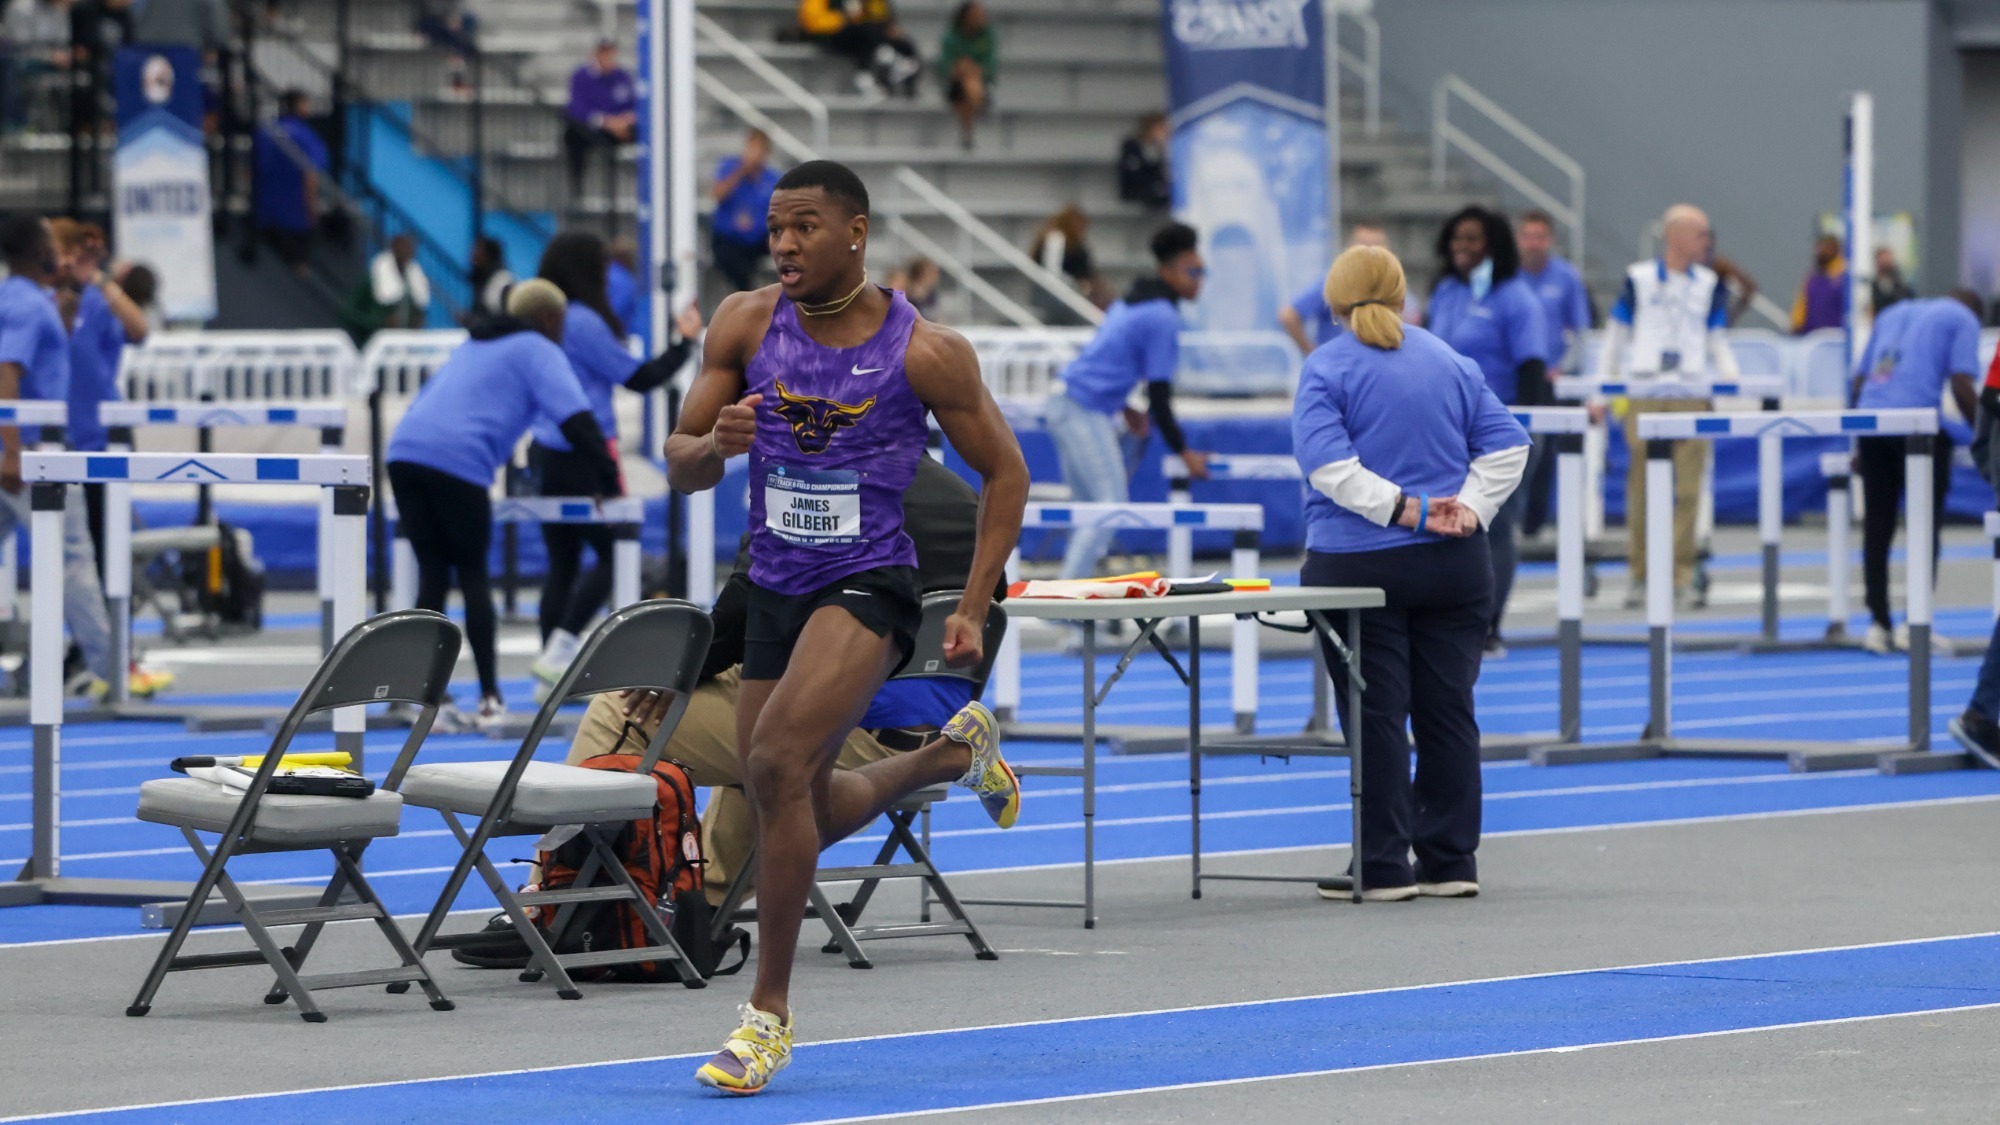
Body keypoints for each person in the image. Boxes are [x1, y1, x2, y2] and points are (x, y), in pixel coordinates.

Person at [665, 159, 1027, 1095]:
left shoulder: (926, 351)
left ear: (855, 233)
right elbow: (680, 463)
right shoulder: (744, 322)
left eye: (804, 228)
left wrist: (974, 603)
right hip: (773, 583)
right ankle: (948, 756)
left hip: (868, 582)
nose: (783, 245)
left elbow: (1007, 474)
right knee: (791, 798)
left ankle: (767, 1016)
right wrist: (713, 446)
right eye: (775, 229)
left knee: (777, 762)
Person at [533, 457, 999, 918]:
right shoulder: (964, 500)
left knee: (621, 713)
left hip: (833, 734)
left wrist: (674, 674)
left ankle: (555, 902)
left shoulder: (812, 483)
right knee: (757, 712)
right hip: (922, 724)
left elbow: (743, 610)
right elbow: (990, 602)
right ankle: (702, 909)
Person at [1294, 244, 1528, 901]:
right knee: (1448, 710)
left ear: (1333, 302)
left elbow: (1329, 467)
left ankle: (1382, 862)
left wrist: (1405, 509)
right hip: (1454, 566)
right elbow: (1510, 445)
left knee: (1375, 711)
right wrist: (1468, 509)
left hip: (1358, 563)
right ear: (1403, 295)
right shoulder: (1451, 360)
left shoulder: (1325, 367)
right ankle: (1451, 859)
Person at [385, 279, 620, 732]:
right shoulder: (539, 349)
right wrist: (609, 481)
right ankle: (490, 698)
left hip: (404, 452)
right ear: (551, 319)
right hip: (459, 459)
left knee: (433, 576)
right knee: (472, 575)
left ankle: (419, 697)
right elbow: (578, 421)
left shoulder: (474, 343)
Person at [526, 231, 703, 688]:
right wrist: (684, 344)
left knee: (563, 564)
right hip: (584, 452)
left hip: (546, 450)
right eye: (603, 270)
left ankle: (550, 676)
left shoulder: (549, 320)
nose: (608, 279)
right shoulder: (582, 321)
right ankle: (561, 647)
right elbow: (639, 378)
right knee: (616, 555)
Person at [1043, 221, 1211, 579]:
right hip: (1080, 408)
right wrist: (1184, 453)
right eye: (1192, 271)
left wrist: (1124, 406)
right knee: (1110, 506)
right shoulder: (1163, 316)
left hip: (1064, 403)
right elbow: (1160, 396)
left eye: (1202, 272)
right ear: (1168, 271)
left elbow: (1105, 357)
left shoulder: (1132, 301)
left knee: (1090, 511)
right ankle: (1066, 600)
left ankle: (1071, 599)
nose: (1200, 280)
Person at [0, 214, 123, 699]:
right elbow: (6, 372)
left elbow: (37, 368)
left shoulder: (24, 299)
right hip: (33, 456)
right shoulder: (27, 305)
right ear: (39, 250)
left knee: (72, 562)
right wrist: (14, 453)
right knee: (74, 563)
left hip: (23, 450)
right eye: (51, 241)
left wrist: (66, 317)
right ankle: (115, 673)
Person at [1603, 204, 1741, 609]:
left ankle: (1681, 573)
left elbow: (1716, 336)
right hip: (1645, 388)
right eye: (1700, 234)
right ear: (1675, 236)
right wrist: (1602, 390)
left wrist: (1731, 375)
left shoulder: (1710, 284)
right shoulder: (1639, 279)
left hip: (1691, 389)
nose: (1707, 242)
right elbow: (1615, 334)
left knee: (1689, 488)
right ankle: (1639, 573)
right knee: (1641, 485)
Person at [1425, 206, 1548, 655]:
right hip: (1446, 430)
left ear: (1493, 244)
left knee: (1492, 528)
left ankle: (1488, 625)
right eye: (1457, 237)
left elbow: (1533, 370)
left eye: (1472, 239)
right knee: (1443, 525)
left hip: (1499, 432)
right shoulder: (1445, 291)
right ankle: (1449, 620)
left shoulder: (1516, 298)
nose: (1462, 246)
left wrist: (1523, 438)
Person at [1848, 291, 1981, 655]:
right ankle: (1914, 624)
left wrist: (1857, 443)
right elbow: (1962, 386)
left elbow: (1859, 382)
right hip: (1917, 427)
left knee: (1877, 525)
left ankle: (1878, 624)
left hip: (1872, 421)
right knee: (1924, 526)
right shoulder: (1963, 318)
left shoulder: (1891, 313)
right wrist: (1988, 438)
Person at [1516, 209, 1593, 538]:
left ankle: (1532, 525)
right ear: (1519, 239)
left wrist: (1562, 368)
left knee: (1544, 453)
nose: (1533, 243)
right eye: (1528, 236)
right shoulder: (1507, 276)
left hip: (1551, 381)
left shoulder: (1567, 278)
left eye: (1540, 237)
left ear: (1550, 240)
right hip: (1514, 380)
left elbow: (1581, 332)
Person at [251, 89, 326, 274]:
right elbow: (311, 174)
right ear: (299, 106)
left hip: (266, 211)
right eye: (306, 103)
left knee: (269, 270)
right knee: (297, 267)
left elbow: (251, 170)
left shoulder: (266, 131)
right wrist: (312, 208)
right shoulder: (305, 135)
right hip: (296, 214)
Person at [796, 0, 920, 99]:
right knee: (866, 33)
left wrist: (886, 25)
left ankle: (896, 66)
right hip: (829, 33)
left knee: (903, 42)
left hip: (861, 32)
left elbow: (879, 13)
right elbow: (813, 20)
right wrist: (843, 19)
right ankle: (881, 63)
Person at [563, 40, 637, 195]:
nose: (610, 59)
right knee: (573, 136)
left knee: (644, 132)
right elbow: (578, 109)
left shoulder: (621, 76)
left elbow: (631, 104)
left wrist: (624, 121)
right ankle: (577, 190)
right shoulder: (581, 76)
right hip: (591, 130)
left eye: (612, 54)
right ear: (597, 54)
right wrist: (606, 122)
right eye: (606, 54)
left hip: (619, 129)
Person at [711, 129, 780, 295]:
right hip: (729, 239)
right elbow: (717, 195)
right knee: (731, 257)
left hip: (758, 240)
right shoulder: (729, 168)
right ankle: (748, 293)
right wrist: (740, 172)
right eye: (751, 147)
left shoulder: (772, 179)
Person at [339, 234, 430, 345]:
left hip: (405, 345)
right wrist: (380, 322)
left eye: (410, 248)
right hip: (375, 344)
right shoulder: (374, 279)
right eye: (403, 247)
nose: (407, 252)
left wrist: (417, 321)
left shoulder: (414, 280)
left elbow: (419, 308)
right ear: (393, 249)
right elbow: (348, 313)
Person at [1028, 204, 1098, 326]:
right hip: (1055, 295)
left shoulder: (1077, 246)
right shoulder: (1056, 240)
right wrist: (1075, 286)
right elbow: (1051, 274)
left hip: (1070, 293)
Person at [938, 0, 994, 150]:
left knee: (968, 87)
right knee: (967, 84)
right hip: (956, 84)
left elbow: (991, 67)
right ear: (965, 17)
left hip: (980, 83)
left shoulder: (988, 36)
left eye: (981, 15)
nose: (980, 18)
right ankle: (979, 105)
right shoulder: (951, 37)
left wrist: (971, 68)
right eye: (975, 15)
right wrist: (961, 68)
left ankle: (968, 131)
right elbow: (945, 68)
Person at [1792, 233, 1847, 335]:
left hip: (1838, 338)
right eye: (1819, 248)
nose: (1820, 251)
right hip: (1812, 338)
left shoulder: (1846, 278)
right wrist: (1796, 326)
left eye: (1825, 247)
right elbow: (1801, 308)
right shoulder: (1812, 279)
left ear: (1835, 249)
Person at [1118, 112, 1171, 210]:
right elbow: (1134, 172)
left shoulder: (1164, 147)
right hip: (1138, 190)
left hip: (1158, 189)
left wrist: (1163, 147)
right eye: (1160, 129)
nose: (1164, 132)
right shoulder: (1132, 146)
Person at [467, 235, 512, 321]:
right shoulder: (480, 278)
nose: (473, 255)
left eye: (478, 250)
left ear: (489, 255)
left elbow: (501, 315)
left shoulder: (503, 279)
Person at [1872, 246, 1914, 313]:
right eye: (1883, 260)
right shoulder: (1874, 284)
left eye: (1887, 259)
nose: (1885, 262)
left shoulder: (1900, 282)